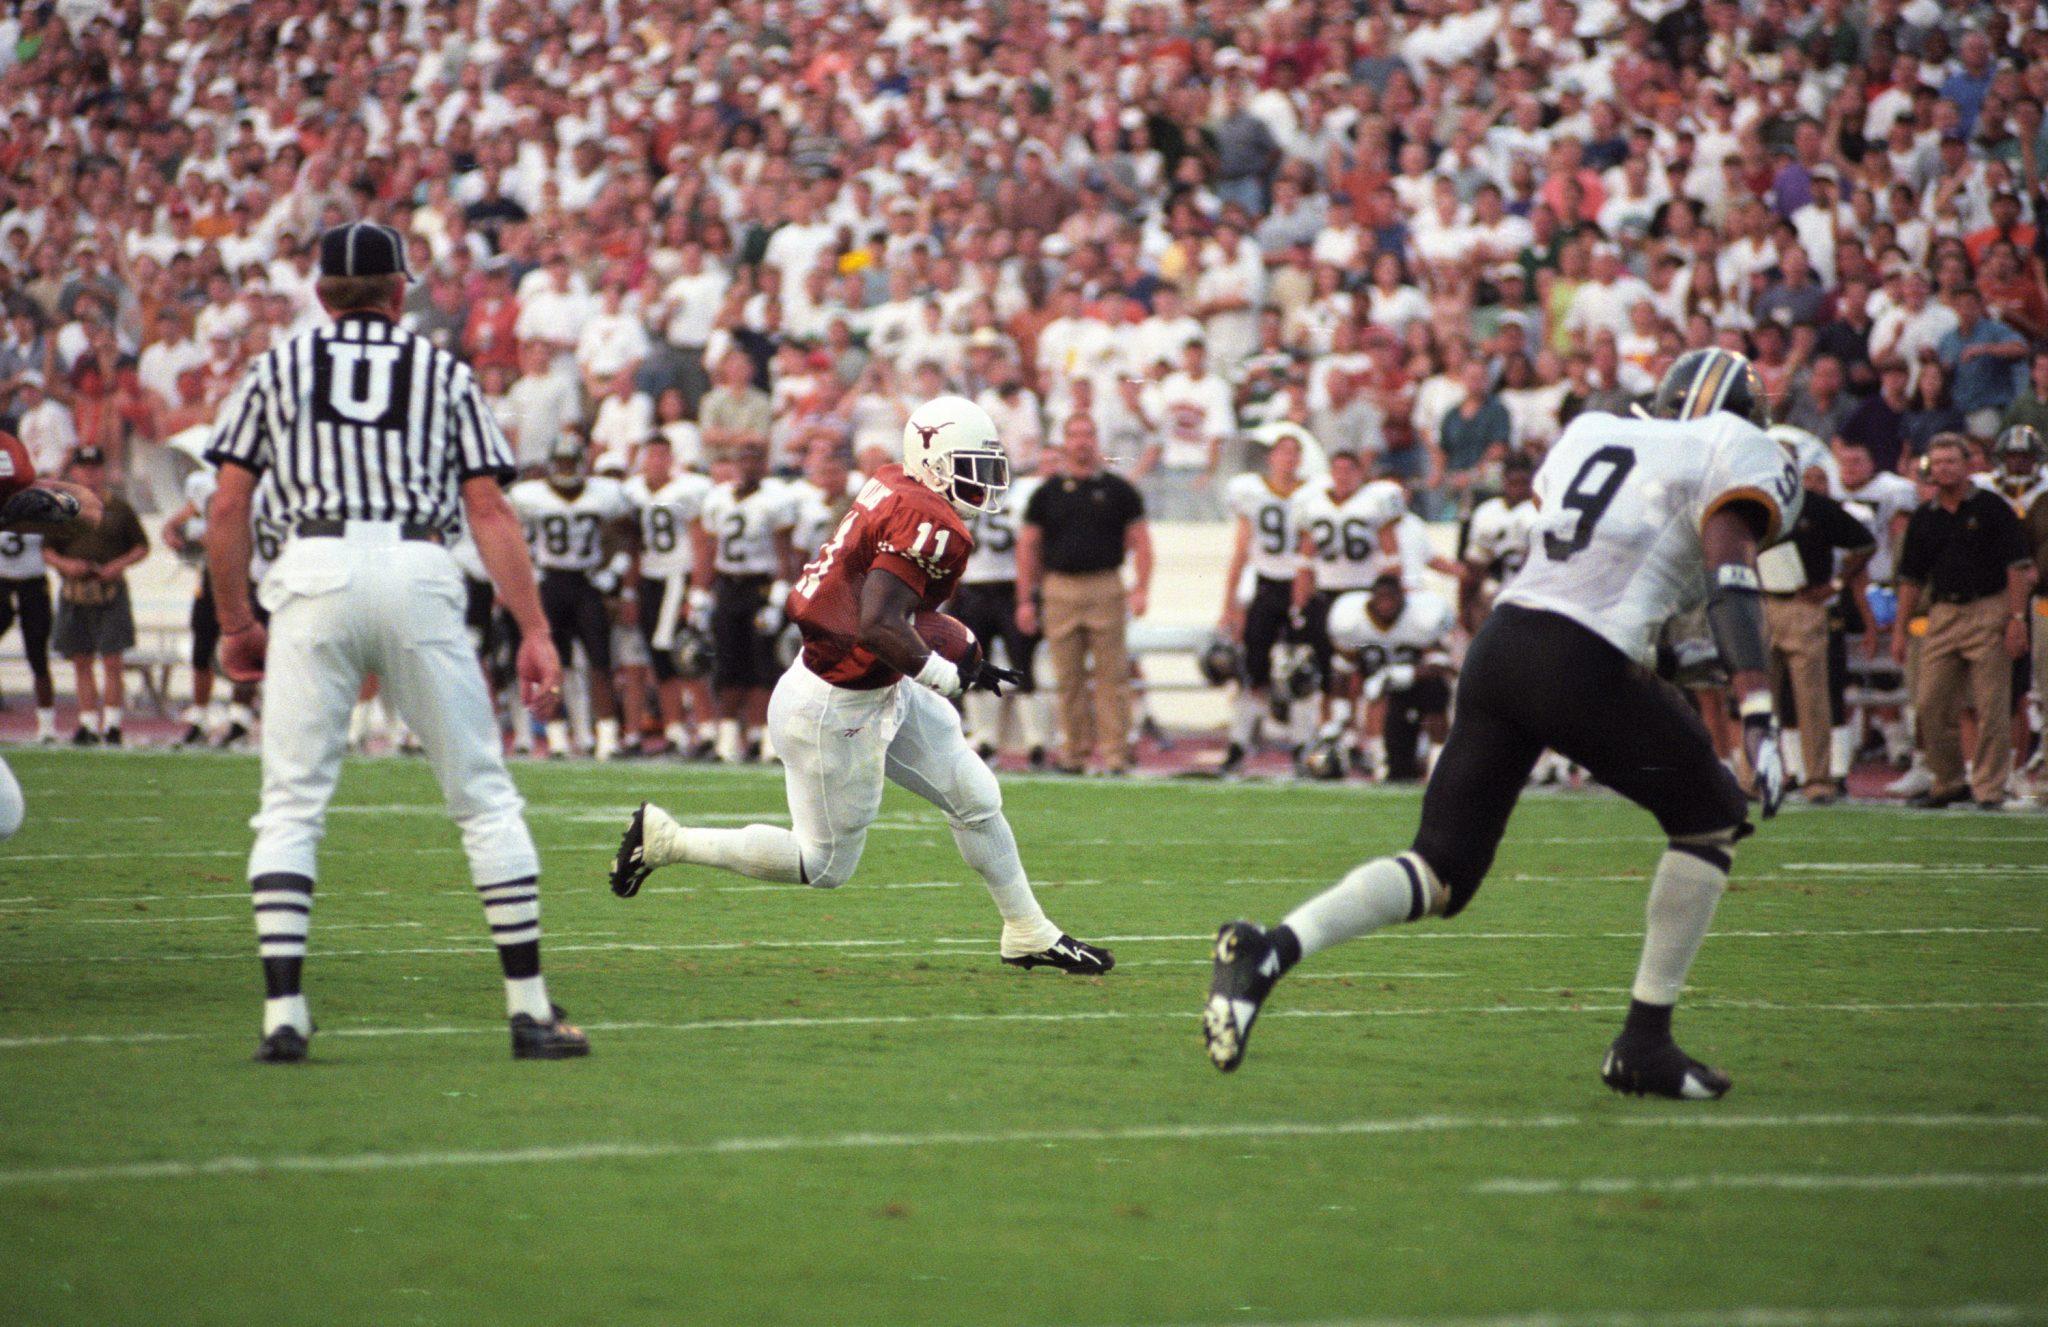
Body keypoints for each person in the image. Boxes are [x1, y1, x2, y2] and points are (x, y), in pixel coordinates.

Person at [1207, 348, 1803, 1101]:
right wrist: (1755, 706)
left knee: (1441, 870)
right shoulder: (1736, 446)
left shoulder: (1593, 431)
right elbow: (1731, 573)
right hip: (1579, 657)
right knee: (1713, 815)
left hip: (1504, 644)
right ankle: (1644, 1041)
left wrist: (1674, 656)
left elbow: (1601, 572)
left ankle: (1269, 949)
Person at [202, 221, 583, 1063]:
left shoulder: (277, 368)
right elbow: (490, 510)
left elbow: (226, 507)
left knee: (292, 803)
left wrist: (234, 622)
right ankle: (527, 1006)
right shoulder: (443, 371)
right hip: (417, 564)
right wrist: (534, 629)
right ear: (399, 289)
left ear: (319, 292)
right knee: (483, 795)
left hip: (313, 568)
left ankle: (284, 1014)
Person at [609, 396, 1113, 975]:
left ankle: (1029, 930)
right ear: (930, 459)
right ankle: (667, 840)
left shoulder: (897, 484)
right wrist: (946, 674)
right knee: (822, 865)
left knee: (974, 797)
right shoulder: (928, 520)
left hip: (877, 681)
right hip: (835, 702)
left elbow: (888, 612)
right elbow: (877, 622)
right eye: (968, 466)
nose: (981, 484)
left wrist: (960, 654)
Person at [1891, 434, 2036, 809]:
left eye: (1950, 461)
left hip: (1988, 607)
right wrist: (1899, 629)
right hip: (1942, 612)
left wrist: (2016, 618)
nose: (1943, 469)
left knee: (1992, 705)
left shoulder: (1991, 508)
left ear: (1968, 463)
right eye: (1936, 463)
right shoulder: (1925, 516)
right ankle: (1950, 779)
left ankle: (1989, 788)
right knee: (1929, 703)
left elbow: (2017, 566)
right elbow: (1910, 577)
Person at [1016, 413, 1152, 776]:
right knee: (1068, 678)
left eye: (1088, 433)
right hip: (1059, 588)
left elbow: (1141, 541)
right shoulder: (1046, 494)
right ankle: (1074, 754)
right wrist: (1026, 599)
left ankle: (1115, 756)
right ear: (1065, 441)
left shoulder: (1119, 491)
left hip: (1106, 586)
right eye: (1074, 434)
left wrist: (1141, 588)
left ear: (1097, 439)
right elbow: (1028, 546)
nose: (1082, 441)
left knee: (1112, 677)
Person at [1758, 428, 1876, 803]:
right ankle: (1756, 776)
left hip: (1803, 604)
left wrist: (1837, 583)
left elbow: (1864, 542)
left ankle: (1819, 779)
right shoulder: (1754, 504)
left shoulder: (1816, 506)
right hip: (1760, 603)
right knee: (1757, 698)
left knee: (1812, 698)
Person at [509, 431, 635, 759]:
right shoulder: (530, 497)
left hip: (586, 582)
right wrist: (529, 574)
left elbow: (629, 534)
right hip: (550, 583)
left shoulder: (605, 494)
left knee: (600, 662)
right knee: (554, 665)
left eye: (570, 461)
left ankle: (606, 738)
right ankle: (557, 739)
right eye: (561, 462)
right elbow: (516, 540)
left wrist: (615, 570)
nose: (565, 468)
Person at [693, 440, 798, 762]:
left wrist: (780, 593)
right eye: (745, 460)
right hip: (728, 586)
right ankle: (727, 742)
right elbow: (709, 550)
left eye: (756, 460)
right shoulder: (718, 499)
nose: (749, 466)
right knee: (727, 663)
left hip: (759, 587)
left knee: (764, 664)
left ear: (764, 465)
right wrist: (700, 592)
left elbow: (785, 552)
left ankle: (767, 740)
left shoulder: (776, 499)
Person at [1217, 424, 1310, 772]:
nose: (1288, 459)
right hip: (1266, 586)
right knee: (1253, 671)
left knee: (1304, 669)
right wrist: (1229, 603)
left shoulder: (1311, 493)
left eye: (1293, 452)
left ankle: (1304, 746)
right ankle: (1239, 744)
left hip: (1300, 586)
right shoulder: (1252, 491)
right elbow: (1240, 551)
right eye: (1282, 452)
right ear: (1271, 457)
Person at [42, 447, 148, 746]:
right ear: (75, 471)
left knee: (113, 660)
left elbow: (141, 546)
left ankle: (112, 724)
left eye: (94, 468)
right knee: (81, 659)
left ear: (102, 471)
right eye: (84, 468)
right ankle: (88, 722)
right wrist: (66, 565)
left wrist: (118, 565)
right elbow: (48, 550)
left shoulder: (119, 508)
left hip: (109, 588)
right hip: (75, 590)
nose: (89, 474)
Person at [622, 434, 714, 756]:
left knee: (686, 655)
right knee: (660, 659)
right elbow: (632, 544)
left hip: (678, 576)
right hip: (650, 577)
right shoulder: (632, 492)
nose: (657, 461)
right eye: (652, 454)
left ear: (672, 458)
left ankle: (706, 729)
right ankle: (674, 730)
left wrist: (698, 589)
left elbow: (701, 540)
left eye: (663, 455)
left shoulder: (687, 490)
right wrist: (630, 590)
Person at [1319, 573, 1457, 782]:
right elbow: (1342, 671)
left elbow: (1443, 666)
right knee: (1399, 771)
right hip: (1382, 692)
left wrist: (1402, 674)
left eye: (1391, 598)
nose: (1386, 604)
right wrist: (1341, 714)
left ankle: (1440, 762)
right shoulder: (1352, 620)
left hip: (1421, 686)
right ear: (1371, 598)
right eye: (1381, 598)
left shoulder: (1422, 618)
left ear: (1402, 597)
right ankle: (1379, 758)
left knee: (1435, 690)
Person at [1460, 451, 1539, 631]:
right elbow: (1474, 567)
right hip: (1495, 590)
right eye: (1513, 483)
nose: (1518, 490)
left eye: (1523, 483)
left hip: (1531, 591)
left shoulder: (1539, 511)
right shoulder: (1487, 512)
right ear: (1503, 481)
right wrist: (1464, 611)